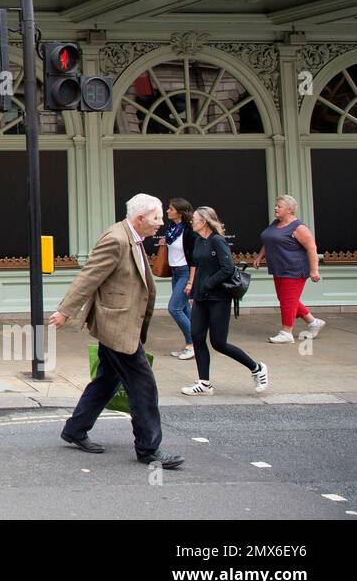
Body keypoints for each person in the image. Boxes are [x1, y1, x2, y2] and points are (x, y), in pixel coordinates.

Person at [50, 193, 184, 469]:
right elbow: (89, 276)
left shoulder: (132, 237)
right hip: (117, 326)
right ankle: (149, 449)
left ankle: (75, 428)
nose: (160, 223)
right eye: (156, 218)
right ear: (140, 218)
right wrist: (65, 311)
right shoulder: (116, 239)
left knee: (107, 381)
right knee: (143, 386)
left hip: (122, 324)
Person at [180, 206, 265, 396]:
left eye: (194, 218)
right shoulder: (199, 241)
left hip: (218, 298)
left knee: (219, 342)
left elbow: (227, 268)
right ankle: (204, 383)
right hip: (201, 298)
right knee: (197, 336)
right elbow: (197, 266)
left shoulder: (217, 241)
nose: (191, 221)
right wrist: (193, 288)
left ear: (205, 221)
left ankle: (257, 368)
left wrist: (208, 283)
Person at [251, 195, 325, 344]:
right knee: (286, 299)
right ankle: (313, 322)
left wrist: (314, 270)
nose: (275, 208)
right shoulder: (275, 223)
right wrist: (260, 257)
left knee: (287, 300)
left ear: (290, 210)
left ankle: (286, 332)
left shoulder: (299, 228)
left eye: (279, 206)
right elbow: (269, 240)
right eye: (276, 205)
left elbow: (311, 248)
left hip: (294, 269)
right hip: (278, 268)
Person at [160, 197, 197, 361]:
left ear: (180, 212)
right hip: (175, 272)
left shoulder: (188, 231)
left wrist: (190, 281)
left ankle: (192, 344)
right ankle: (195, 343)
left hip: (185, 272)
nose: (167, 211)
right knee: (184, 309)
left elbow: (194, 258)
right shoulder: (172, 229)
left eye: (171, 209)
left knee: (174, 308)